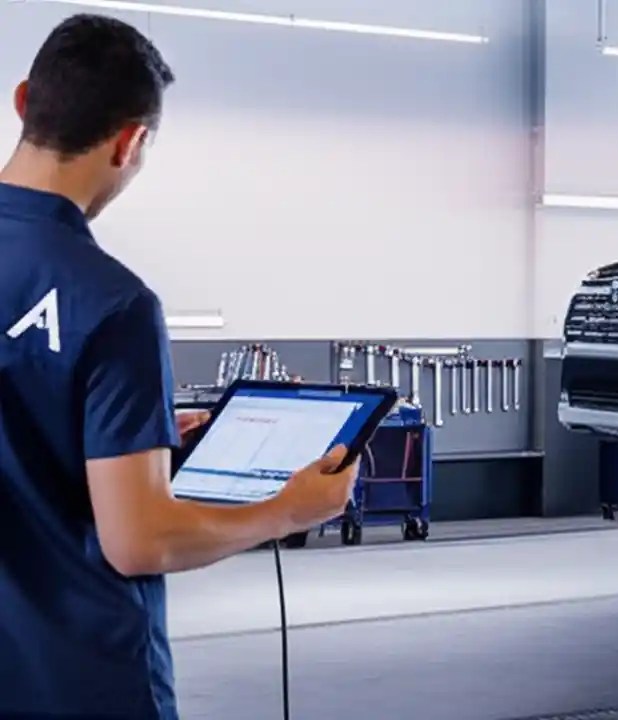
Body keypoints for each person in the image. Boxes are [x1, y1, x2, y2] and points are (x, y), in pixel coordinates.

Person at [0, 15, 358, 719]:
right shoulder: (113, 304)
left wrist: (130, 438)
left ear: (22, 101)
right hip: (77, 683)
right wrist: (287, 510)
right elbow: (140, 541)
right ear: (131, 142)